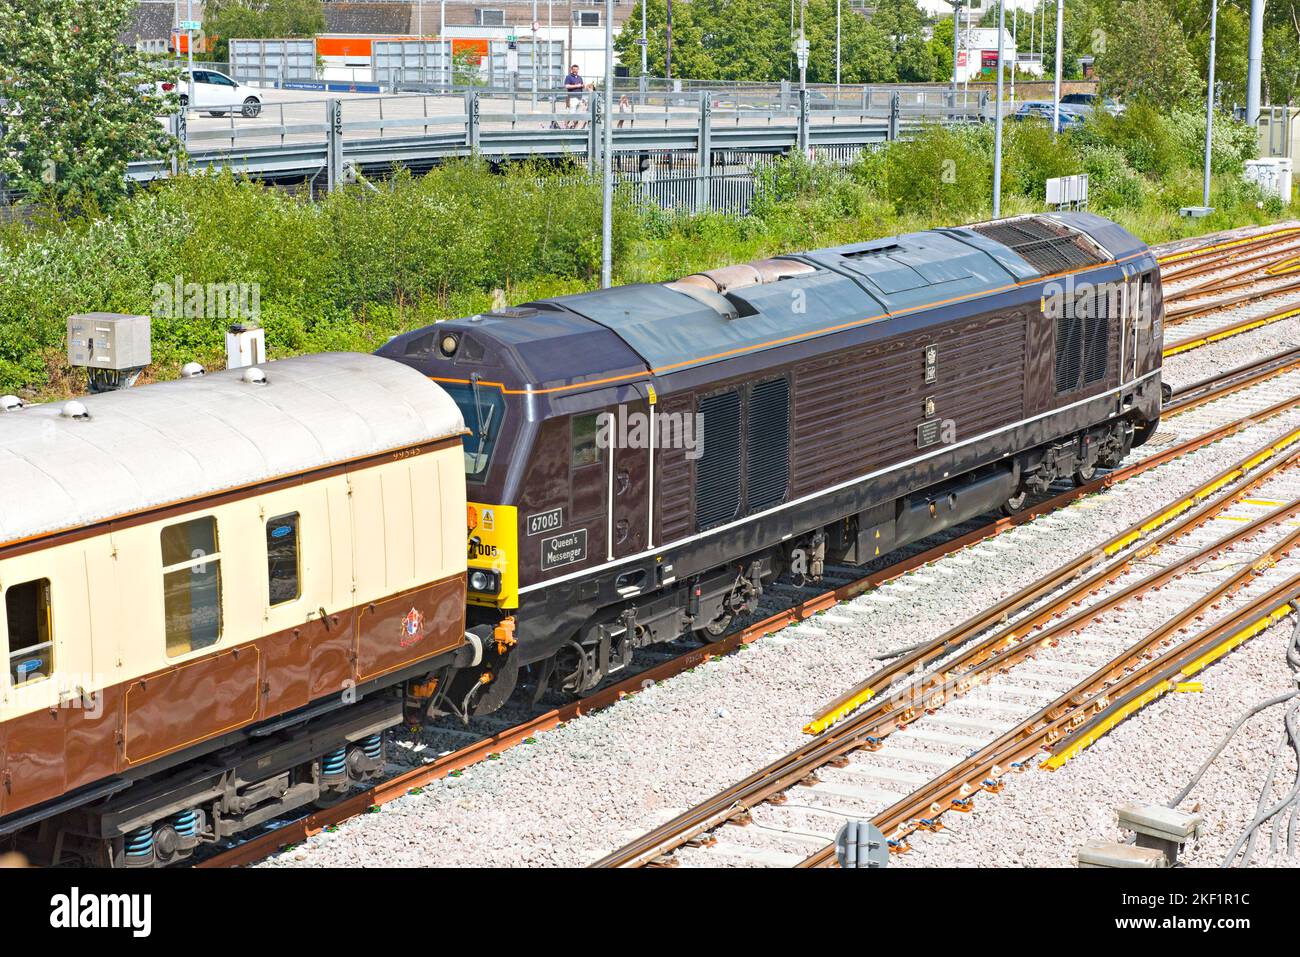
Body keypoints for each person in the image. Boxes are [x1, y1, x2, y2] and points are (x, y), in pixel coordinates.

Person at [563, 64, 585, 129]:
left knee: (577, 113)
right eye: (574, 69)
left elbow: (581, 85)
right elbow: (567, 86)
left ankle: (575, 127)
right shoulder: (568, 77)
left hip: (579, 97)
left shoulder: (580, 77)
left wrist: (583, 86)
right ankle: (565, 125)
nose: (575, 70)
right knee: (571, 112)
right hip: (572, 97)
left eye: (576, 69)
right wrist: (577, 86)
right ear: (571, 70)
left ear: (578, 70)